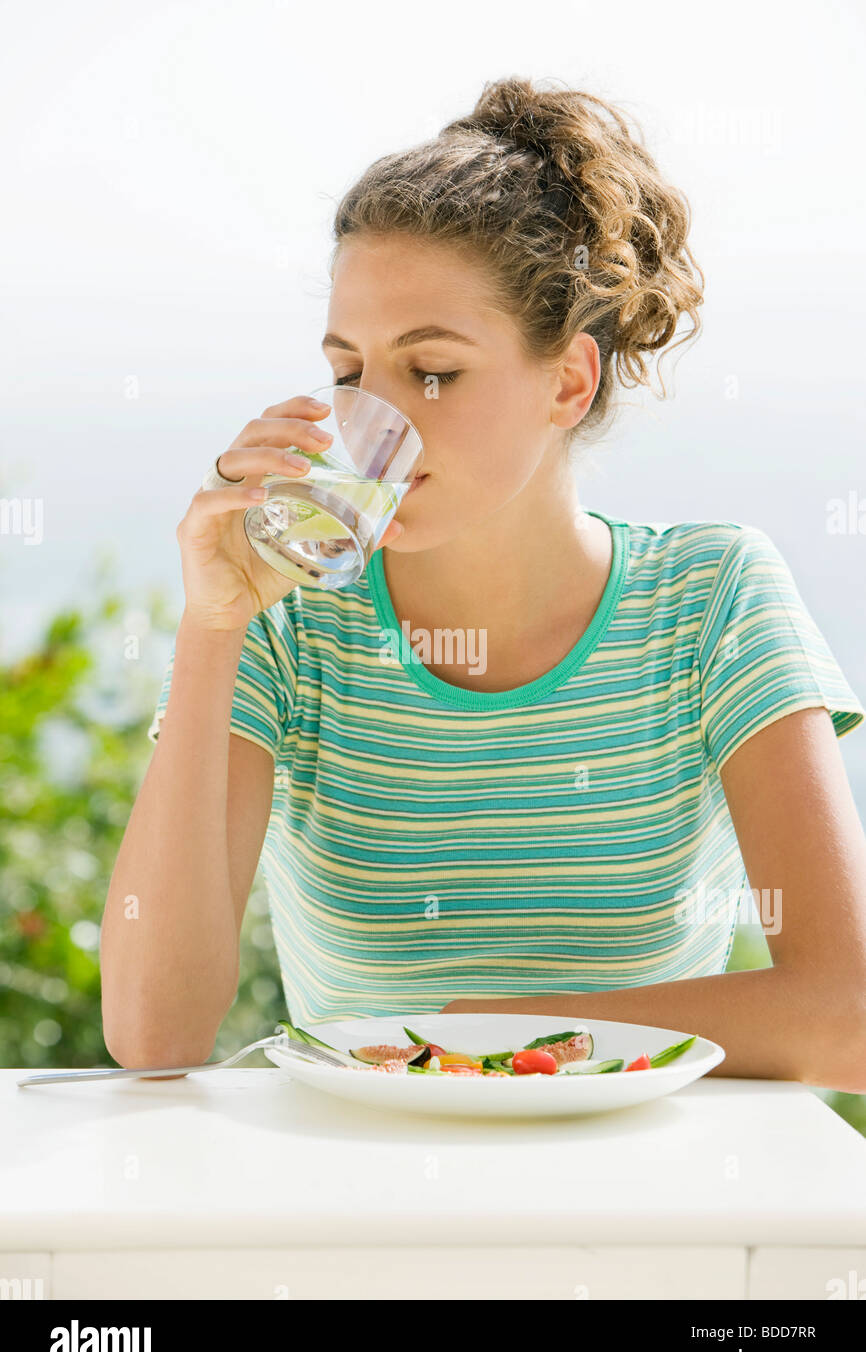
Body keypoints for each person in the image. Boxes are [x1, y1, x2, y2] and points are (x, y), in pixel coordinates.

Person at [100, 76, 866, 1089]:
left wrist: (483, 1031)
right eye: (346, 369)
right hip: (357, 1207)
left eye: (431, 371)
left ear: (566, 381)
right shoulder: (292, 627)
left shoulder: (708, 601)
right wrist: (213, 626)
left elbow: (846, 1014)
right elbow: (156, 1032)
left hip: (643, 1211)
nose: (374, 414)